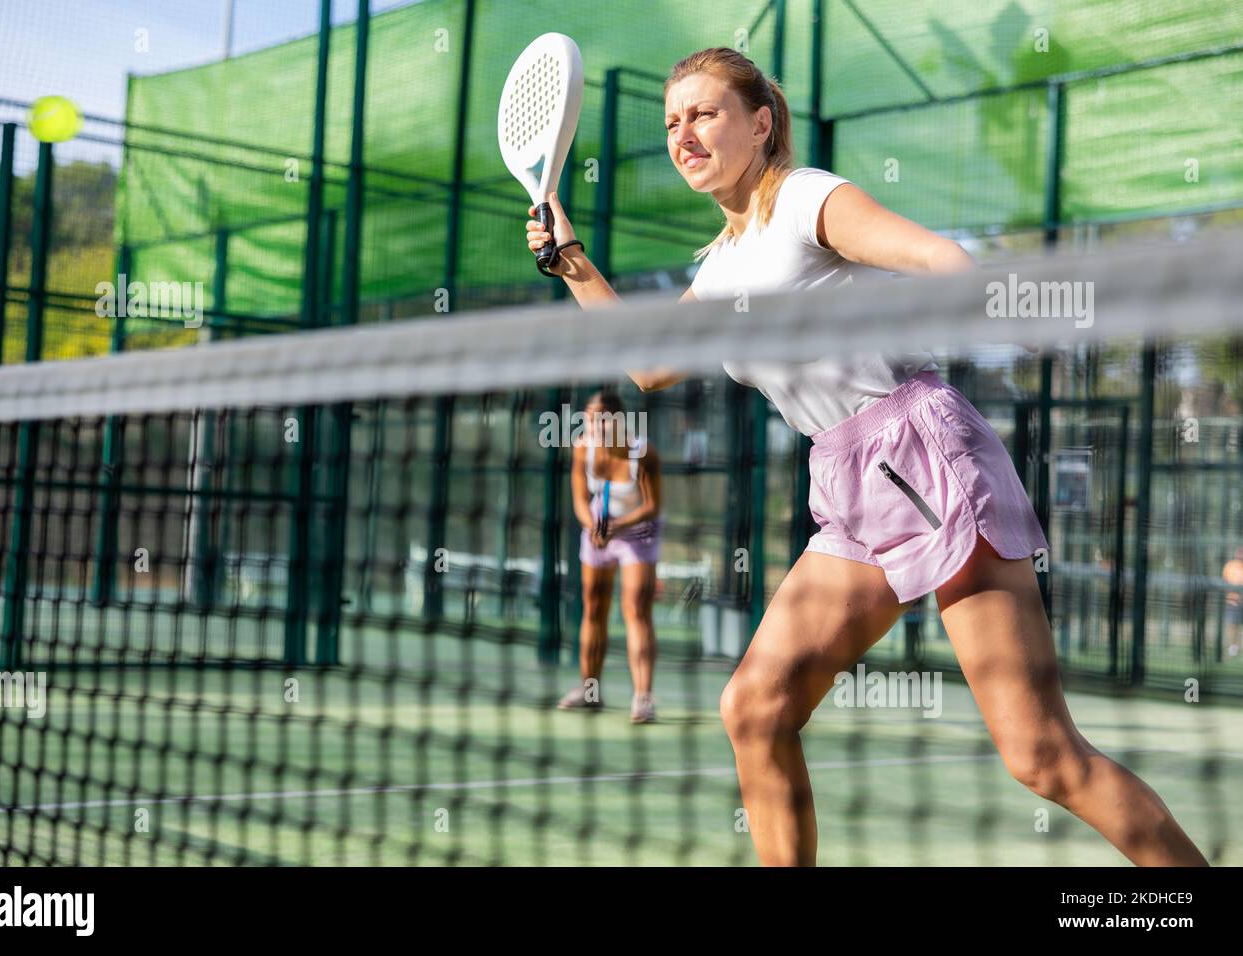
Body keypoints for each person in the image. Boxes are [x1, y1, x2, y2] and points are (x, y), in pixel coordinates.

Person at [522, 47, 1208, 866]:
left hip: (926, 463)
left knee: (1043, 758)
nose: (685, 134)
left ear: (761, 124)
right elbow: (650, 365)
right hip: (844, 482)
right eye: (673, 122)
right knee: (755, 706)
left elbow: (937, 258)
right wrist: (572, 262)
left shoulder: (809, 198)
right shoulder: (722, 263)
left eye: (704, 114)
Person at [559, 389, 663, 724]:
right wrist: (595, 527)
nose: (594, 425)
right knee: (593, 607)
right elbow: (579, 499)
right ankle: (590, 693)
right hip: (599, 529)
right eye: (589, 418)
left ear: (617, 420)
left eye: (601, 418)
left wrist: (617, 527)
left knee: (636, 609)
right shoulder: (582, 448)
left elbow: (652, 506)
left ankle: (643, 699)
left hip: (637, 530)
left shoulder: (642, 453)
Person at [1223, 548, 1243, 658]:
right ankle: (1233, 647)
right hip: (1232, 601)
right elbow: (1224, 581)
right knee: (1232, 624)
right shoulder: (1230, 566)